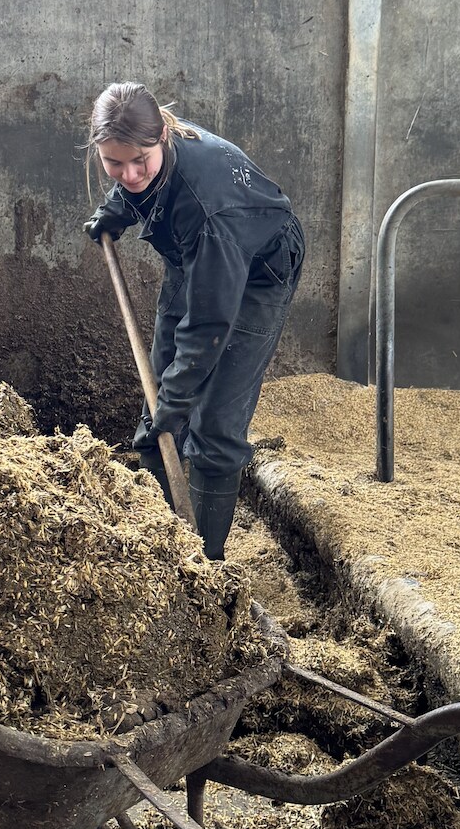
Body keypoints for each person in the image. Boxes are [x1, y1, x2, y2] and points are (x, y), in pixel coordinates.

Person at [83, 81, 305, 560]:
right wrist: (116, 210)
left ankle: (204, 567)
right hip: (198, 259)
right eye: (113, 164)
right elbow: (142, 185)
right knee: (157, 404)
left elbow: (208, 325)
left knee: (215, 425)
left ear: (162, 135)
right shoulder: (143, 153)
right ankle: (160, 548)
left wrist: (180, 397)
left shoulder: (209, 207)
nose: (129, 172)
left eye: (139, 159)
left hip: (259, 272)